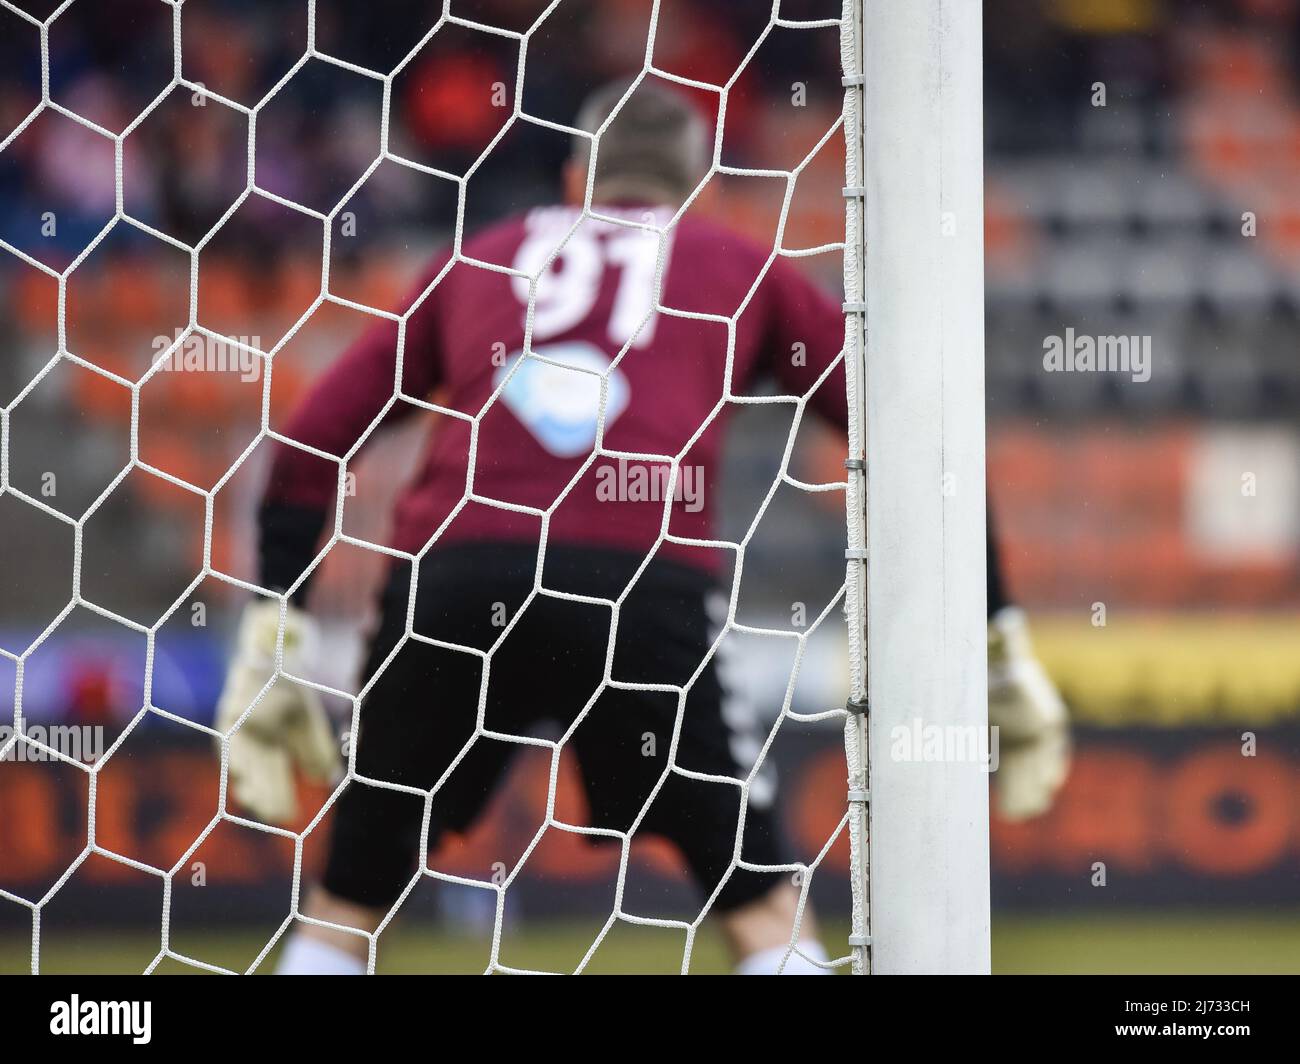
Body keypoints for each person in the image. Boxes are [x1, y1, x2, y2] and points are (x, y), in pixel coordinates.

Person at [215, 80, 1068, 975]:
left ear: (577, 173)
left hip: (457, 581)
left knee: (346, 902)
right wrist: (998, 632)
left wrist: (273, 629)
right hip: (637, 587)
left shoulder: (478, 256)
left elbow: (311, 437)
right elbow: (914, 447)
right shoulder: (736, 265)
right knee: (762, 906)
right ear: (695, 189)